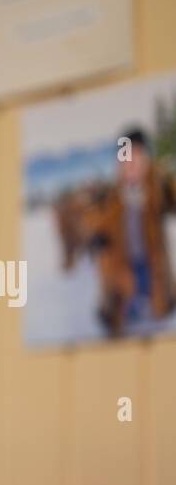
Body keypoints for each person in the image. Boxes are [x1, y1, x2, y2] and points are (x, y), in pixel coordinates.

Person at [94, 127, 176, 336]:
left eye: (136, 157)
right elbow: (100, 222)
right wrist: (99, 236)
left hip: (154, 270)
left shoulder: (158, 188)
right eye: (125, 159)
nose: (130, 165)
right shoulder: (113, 197)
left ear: (147, 160)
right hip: (125, 271)